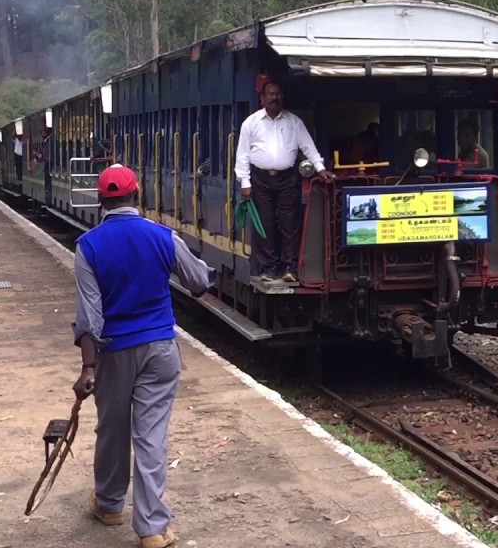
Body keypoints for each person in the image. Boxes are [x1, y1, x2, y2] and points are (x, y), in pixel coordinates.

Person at [71, 164, 214, 548]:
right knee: (150, 435)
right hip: (160, 350)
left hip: (114, 351)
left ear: (101, 201)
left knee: (113, 428)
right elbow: (199, 282)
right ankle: (151, 529)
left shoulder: (89, 246)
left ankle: (110, 505)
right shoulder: (162, 236)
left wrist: (88, 367)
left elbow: (89, 316)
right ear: (138, 196)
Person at [233, 79, 333, 283]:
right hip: (260, 179)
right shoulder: (250, 123)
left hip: (287, 178)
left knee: (289, 223)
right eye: (270, 94)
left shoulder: (294, 122)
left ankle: (290, 266)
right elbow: (242, 155)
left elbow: (308, 146)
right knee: (265, 223)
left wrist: (321, 169)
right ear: (262, 98)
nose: (274, 97)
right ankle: (269, 267)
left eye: (278, 94)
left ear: (282, 98)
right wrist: (245, 182)